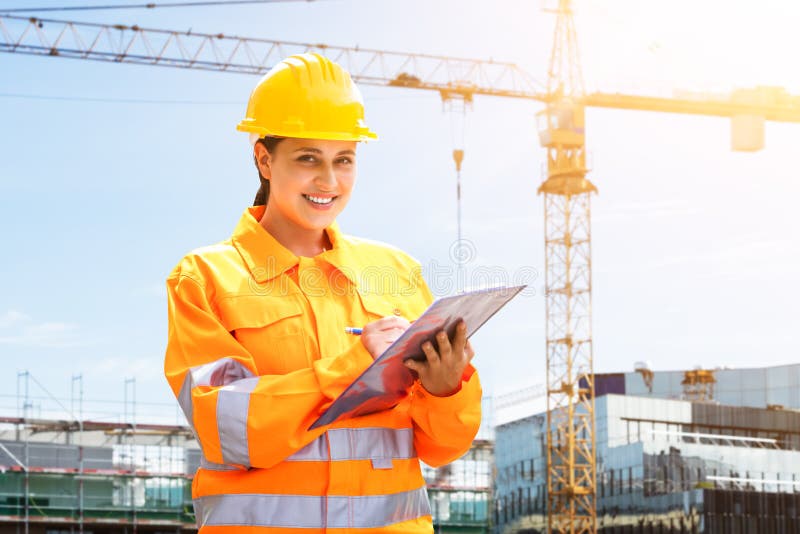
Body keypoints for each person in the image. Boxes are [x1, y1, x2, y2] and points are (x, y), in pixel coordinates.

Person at [164, 53, 481, 533]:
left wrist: (446, 391)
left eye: (344, 160)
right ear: (264, 159)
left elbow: (443, 449)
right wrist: (356, 365)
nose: (328, 181)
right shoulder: (204, 278)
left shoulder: (396, 272)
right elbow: (228, 432)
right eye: (308, 158)